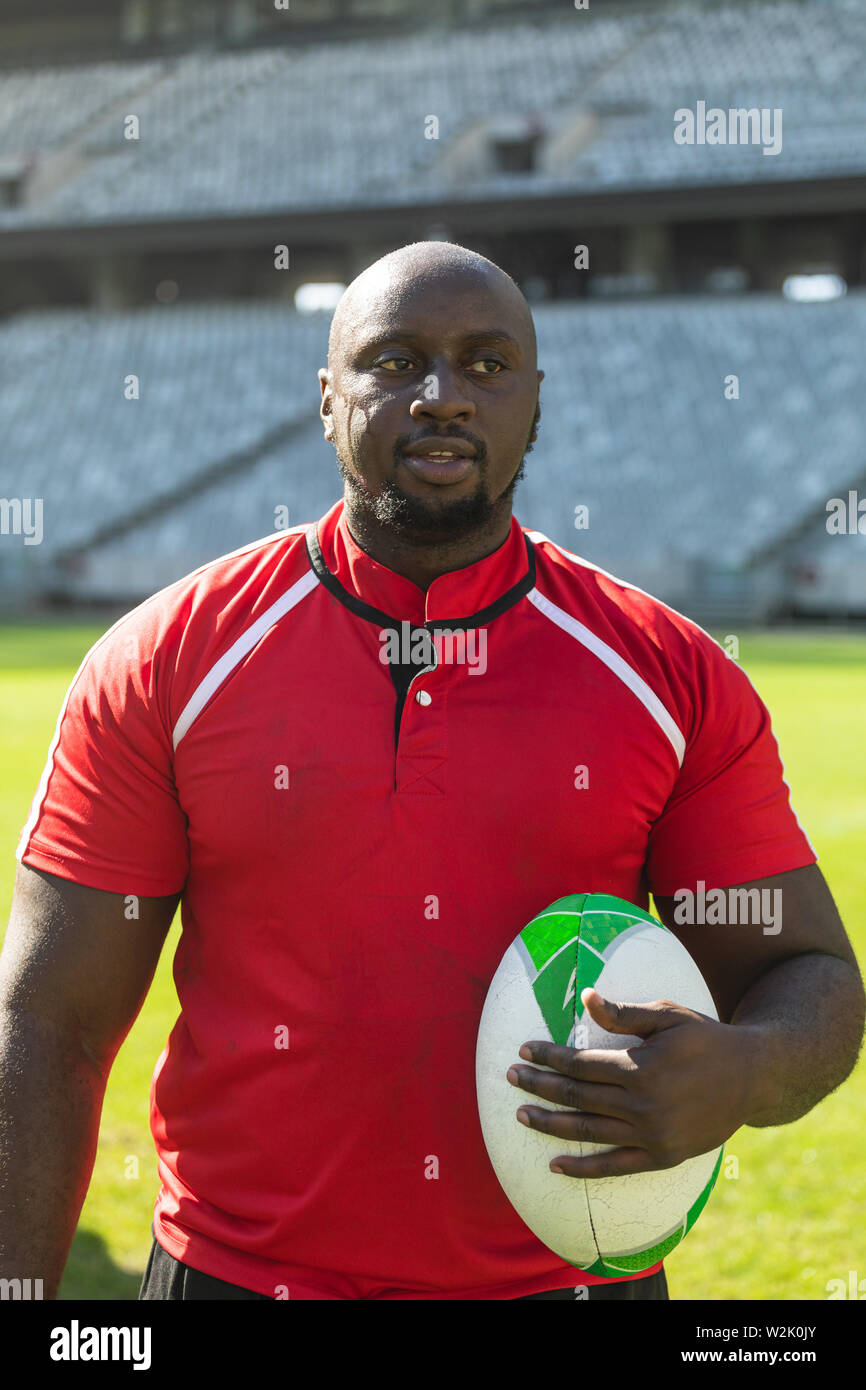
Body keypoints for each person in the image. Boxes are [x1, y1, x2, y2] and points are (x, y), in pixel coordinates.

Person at [1, 241, 862, 1302]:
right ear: (327, 398)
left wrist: (744, 1069)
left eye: (485, 364)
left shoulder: (668, 675)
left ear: (534, 403)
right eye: (395, 361)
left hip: (571, 1282)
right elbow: (48, 1022)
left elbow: (809, 976)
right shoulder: (166, 661)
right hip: (236, 1280)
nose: (442, 396)